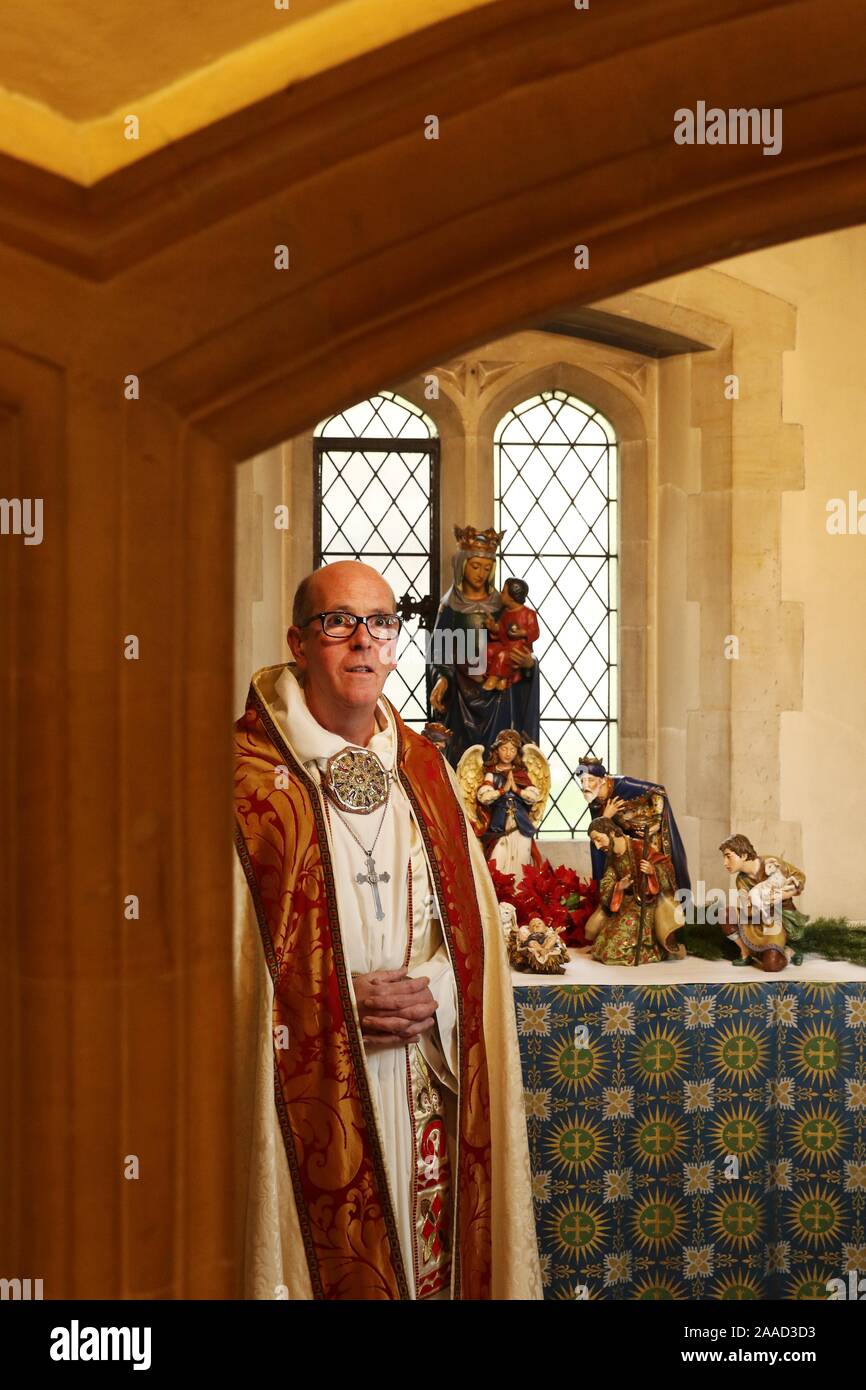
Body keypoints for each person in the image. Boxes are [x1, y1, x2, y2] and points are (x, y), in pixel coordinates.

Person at [233, 559, 541, 1301]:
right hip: (308, 1092)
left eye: (381, 624)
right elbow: (221, 960)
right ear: (299, 643)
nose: (363, 643)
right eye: (339, 622)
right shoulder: (243, 784)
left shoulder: (426, 769)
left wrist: (429, 991)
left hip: (421, 1069)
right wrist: (332, 1002)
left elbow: (471, 942)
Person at [429, 525, 539, 765]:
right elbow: (438, 650)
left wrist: (529, 664)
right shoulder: (450, 606)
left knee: (499, 756)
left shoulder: (503, 606)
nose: (481, 573)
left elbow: (520, 643)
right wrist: (442, 677)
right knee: (461, 761)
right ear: (462, 564)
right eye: (475, 566)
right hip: (460, 694)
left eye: (487, 568)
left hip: (500, 695)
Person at [576, 754, 691, 893]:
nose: (585, 786)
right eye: (582, 781)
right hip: (626, 843)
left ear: (603, 780)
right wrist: (606, 817)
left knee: (651, 876)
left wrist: (656, 823)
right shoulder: (594, 800)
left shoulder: (624, 784)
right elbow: (597, 831)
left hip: (649, 837)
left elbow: (658, 791)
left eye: (590, 780)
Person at [580, 817, 685, 965]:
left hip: (645, 905)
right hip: (624, 905)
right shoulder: (612, 856)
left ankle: (651, 951)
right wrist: (619, 886)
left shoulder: (639, 848)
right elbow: (608, 881)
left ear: (610, 832)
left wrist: (652, 871)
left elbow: (666, 869)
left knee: (616, 952)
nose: (597, 846)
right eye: (594, 842)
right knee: (601, 948)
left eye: (598, 839)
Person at [719, 834, 807, 970]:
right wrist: (749, 908)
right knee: (725, 914)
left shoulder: (770, 863)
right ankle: (745, 952)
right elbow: (748, 908)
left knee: (771, 965)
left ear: (742, 855)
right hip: (757, 916)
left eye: (728, 856)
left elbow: (799, 878)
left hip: (778, 919)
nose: (725, 863)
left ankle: (788, 952)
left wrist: (781, 895)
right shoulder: (741, 880)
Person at [475, 728, 543, 874]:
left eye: (512, 750)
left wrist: (517, 790)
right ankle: (500, 894)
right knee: (498, 861)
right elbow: (483, 797)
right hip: (499, 828)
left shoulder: (520, 773)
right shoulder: (491, 774)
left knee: (521, 863)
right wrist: (502, 791)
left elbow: (535, 796)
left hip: (520, 827)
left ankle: (519, 895)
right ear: (497, 750)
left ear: (516, 752)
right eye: (504, 749)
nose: (508, 753)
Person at [481, 578, 540, 691]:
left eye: (503, 592)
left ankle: (495, 678)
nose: (500, 594)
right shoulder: (506, 613)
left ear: (512, 597)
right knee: (489, 650)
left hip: (518, 648)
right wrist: (493, 628)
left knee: (503, 655)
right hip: (505, 644)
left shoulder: (528, 613)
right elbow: (501, 629)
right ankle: (496, 677)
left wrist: (522, 632)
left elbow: (535, 631)